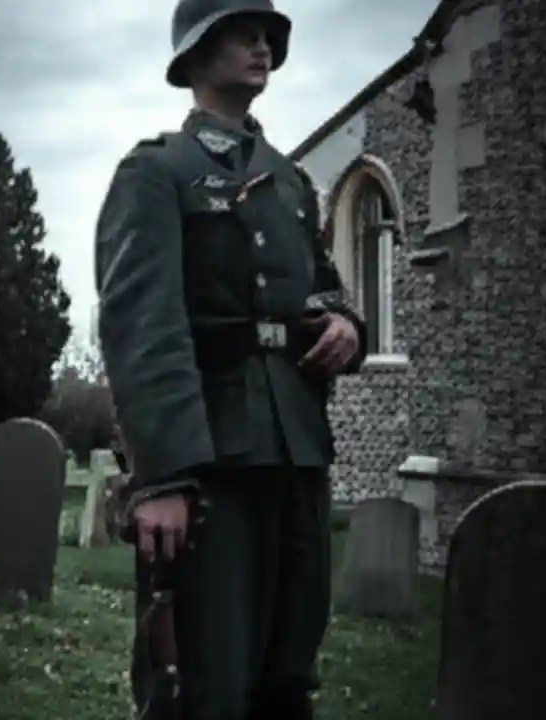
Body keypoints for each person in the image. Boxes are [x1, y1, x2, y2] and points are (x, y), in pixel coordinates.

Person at [93, 0, 367, 717]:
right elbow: (141, 324)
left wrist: (346, 326)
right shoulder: (158, 173)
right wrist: (160, 478)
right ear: (198, 52)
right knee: (206, 684)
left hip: (297, 449)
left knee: (288, 677)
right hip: (210, 462)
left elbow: (328, 288)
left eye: (269, 36)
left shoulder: (290, 181)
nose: (262, 47)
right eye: (244, 34)